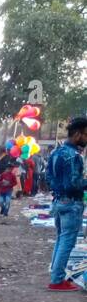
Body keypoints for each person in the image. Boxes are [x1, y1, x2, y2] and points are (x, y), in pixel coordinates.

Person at [46, 116, 87, 291]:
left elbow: (48, 177)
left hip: (58, 201)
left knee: (61, 239)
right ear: (77, 134)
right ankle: (56, 280)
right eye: (86, 134)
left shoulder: (56, 152)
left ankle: (56, 276)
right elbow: (74, 184)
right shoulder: (74, 156)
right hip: (72, 203)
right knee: (67, 242)